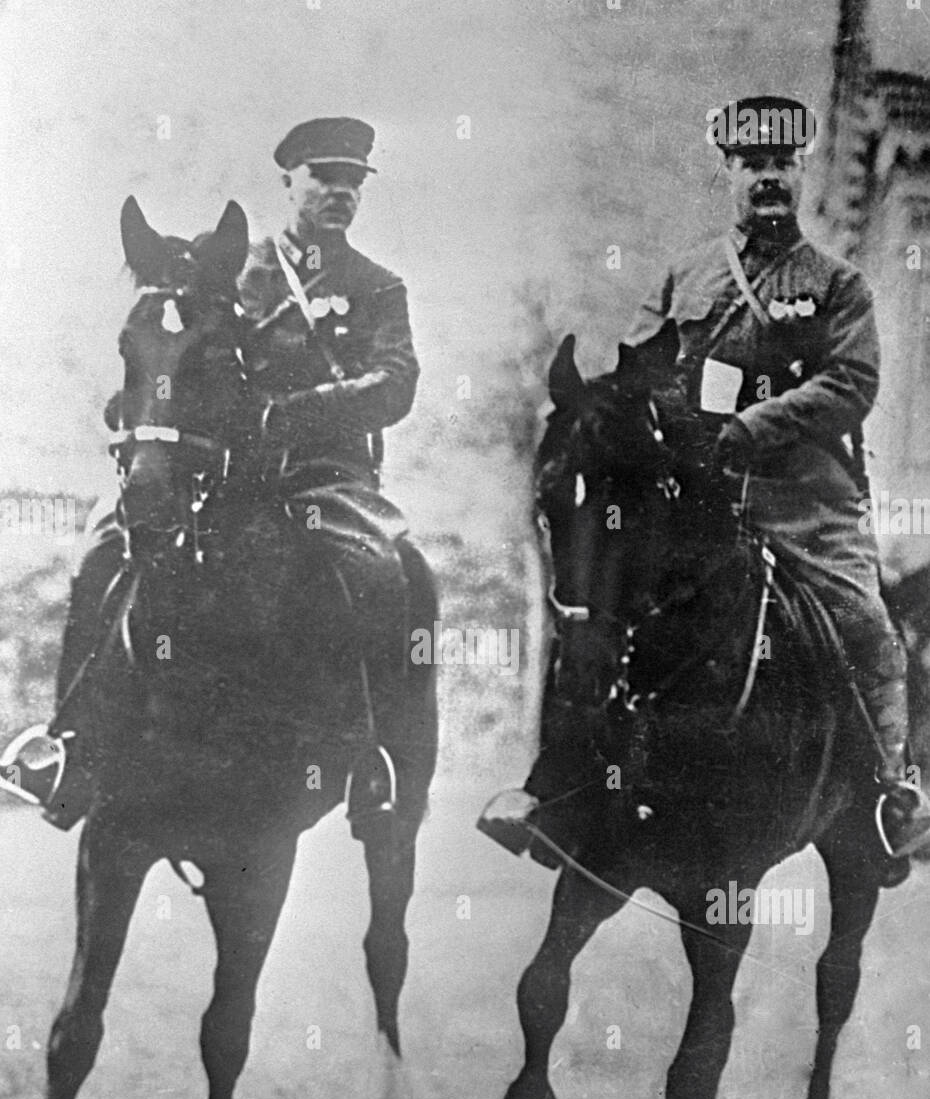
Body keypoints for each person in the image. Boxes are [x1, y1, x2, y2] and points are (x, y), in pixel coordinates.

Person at [480, 94, 930, 869]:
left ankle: (892, 794)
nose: (769, 179)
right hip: (702, 497)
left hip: (808, 505)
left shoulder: (838, 285)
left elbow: (851, 384)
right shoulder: (686, 277)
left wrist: (750, 428)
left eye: (783, 164)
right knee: (598, 605)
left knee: (868, 627)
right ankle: (556, 789)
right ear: (729, 172)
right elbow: (638, 368)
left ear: (802, 172)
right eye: (753, 163)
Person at [1, 117, 420, 831]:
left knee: (380, 567)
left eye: (353, 181)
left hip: (327, 472)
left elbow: (395, 383)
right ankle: (70, 744)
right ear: (290, 181)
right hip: (227, 469)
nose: (340, 192)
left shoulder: (377, 285)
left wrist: (288, 412)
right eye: (325, 176)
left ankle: (373, 756)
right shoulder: (237, 269)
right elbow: (180, 345)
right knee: (105, 550)